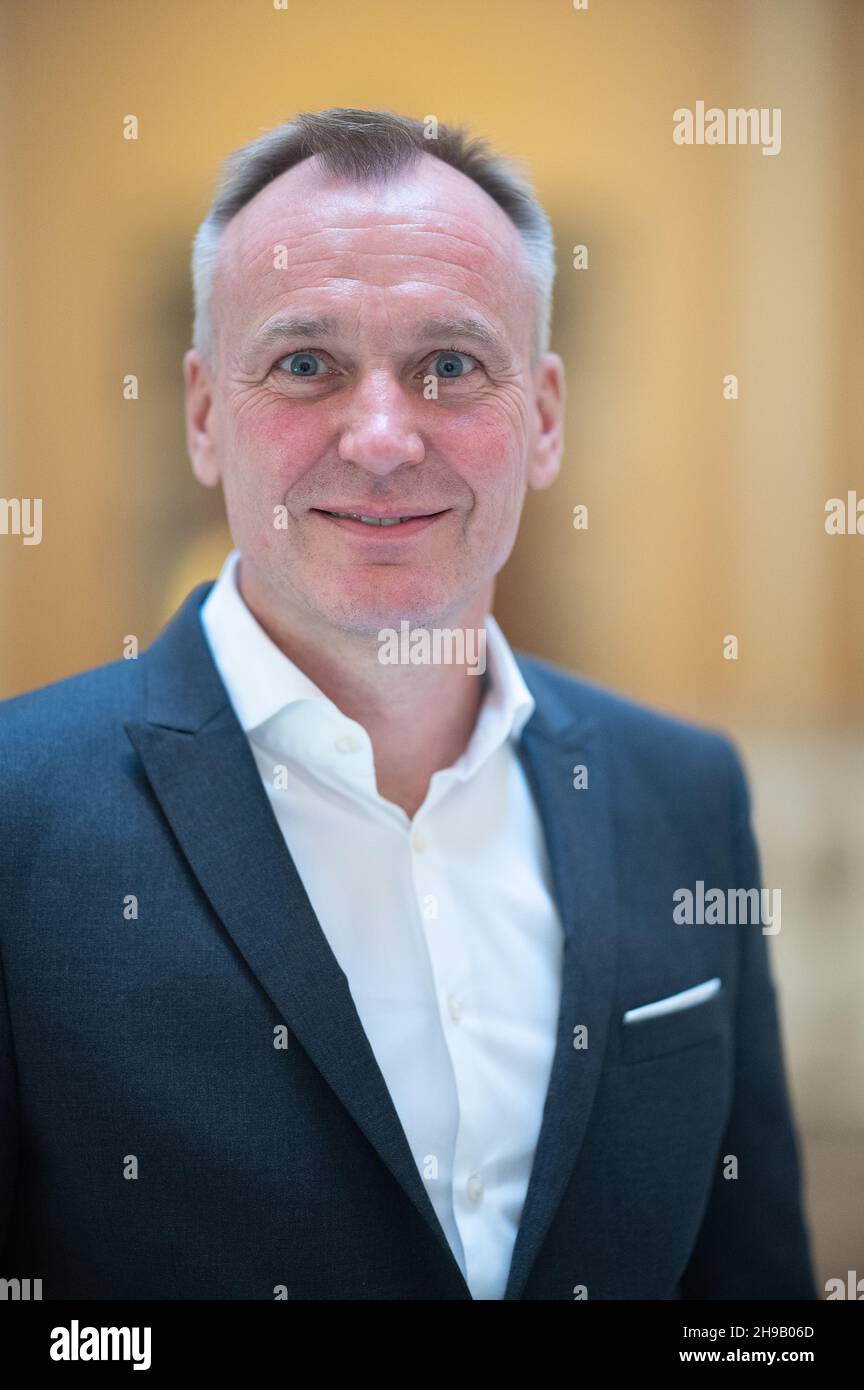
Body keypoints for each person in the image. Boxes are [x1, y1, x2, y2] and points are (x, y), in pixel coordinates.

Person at [0, 108, 817, 1300]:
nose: (382, 439)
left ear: (542, 416)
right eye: (304, 363)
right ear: (202, 415)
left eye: (449, 364)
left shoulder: (685, 795)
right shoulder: (18, 811)